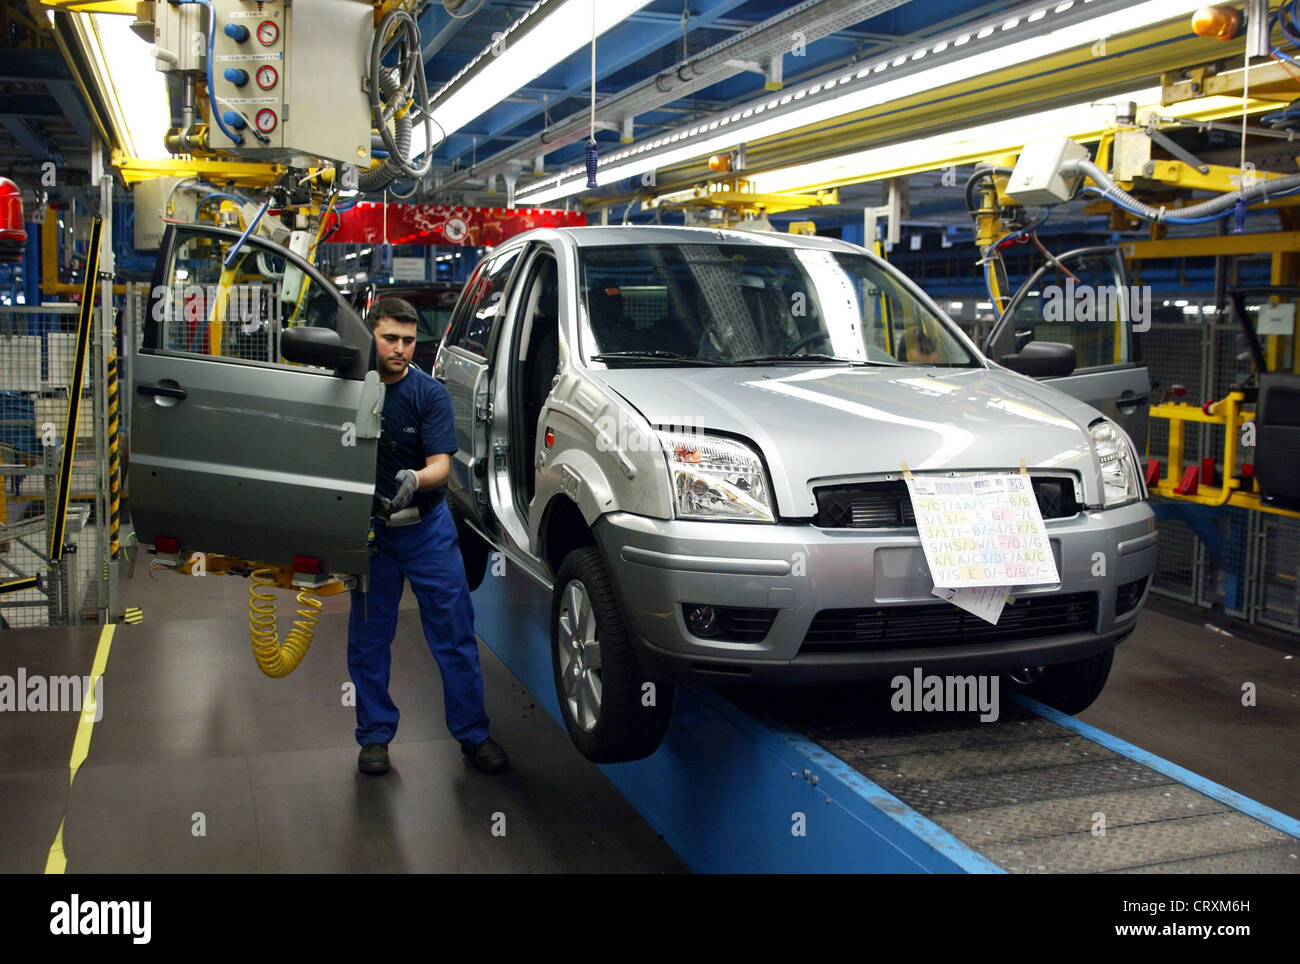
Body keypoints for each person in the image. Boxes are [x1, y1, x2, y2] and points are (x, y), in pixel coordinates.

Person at [348, 295, 508, 775]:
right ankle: (374, 737)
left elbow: (440, 463)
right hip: (372, 535)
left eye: (409, 341)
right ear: (369, 334)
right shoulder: (350, 390)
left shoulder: (429, 395)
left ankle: (473, 735)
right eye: (390, 339)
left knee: (454, 634)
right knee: (370, 639)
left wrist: (417, 478)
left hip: (427, 529)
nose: (400, 349)